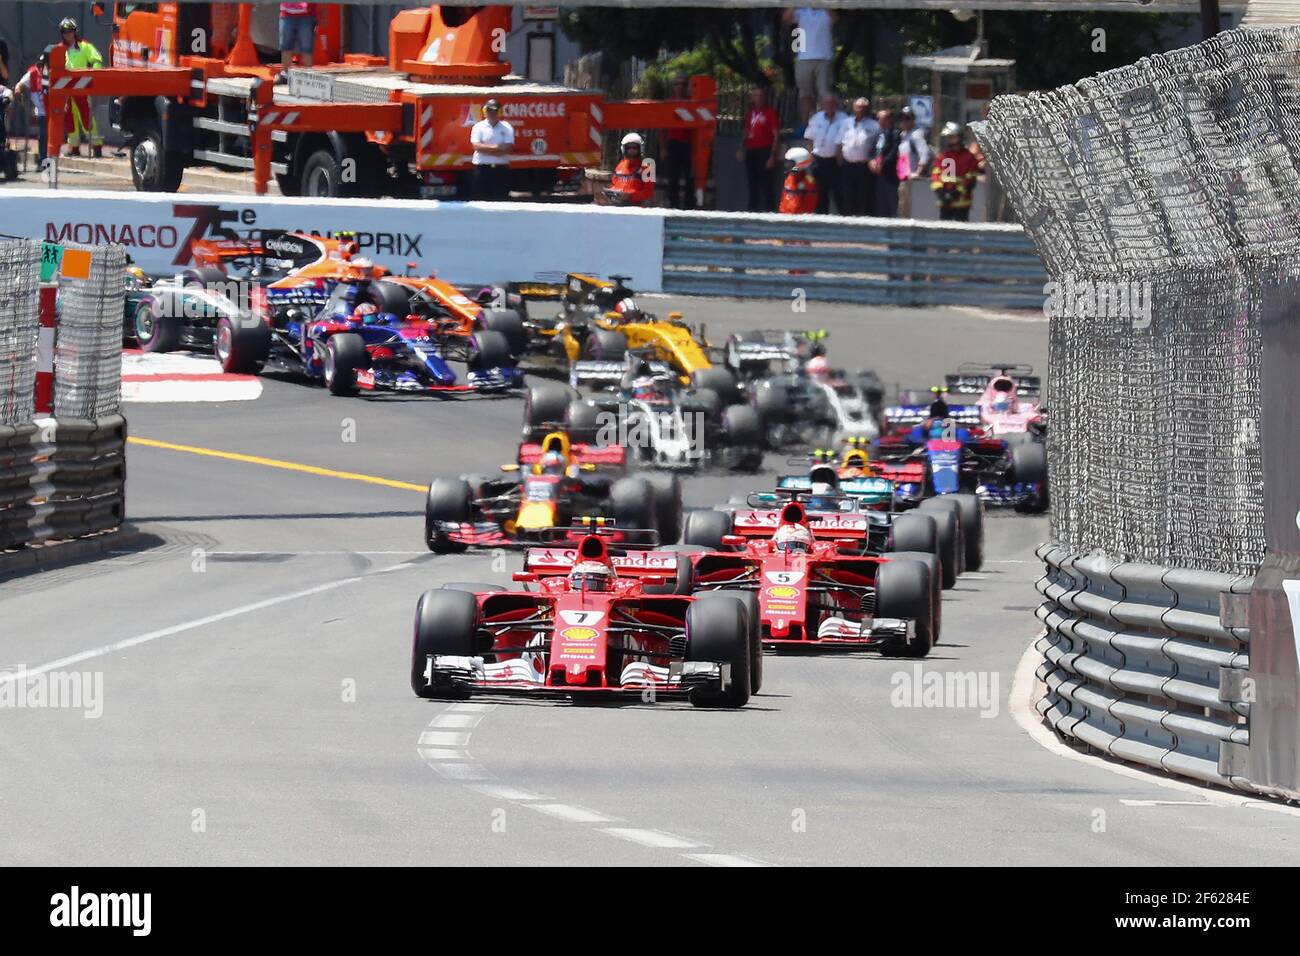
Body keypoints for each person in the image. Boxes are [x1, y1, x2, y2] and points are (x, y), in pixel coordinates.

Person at [782, 7, 838, 125]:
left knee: (825, 93)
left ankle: (826, 124)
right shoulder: (802, 12)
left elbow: (835, 18)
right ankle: (806, 125)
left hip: (824, 58)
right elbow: (786, 17)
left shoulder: (825, 12)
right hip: (803, 58)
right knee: (805, 94)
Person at [58, 19, 103, 157]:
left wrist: (93, 76)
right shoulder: (59, 48)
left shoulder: (84, 46)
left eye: (70, 31)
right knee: (69, 117)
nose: (67, 34)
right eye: (64, 32)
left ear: (75, 31)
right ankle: (74, 146)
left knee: (85, 115)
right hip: (65, 89)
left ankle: (96, 146)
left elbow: (97, 60)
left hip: (81, 88)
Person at [737, 86, 780, 212]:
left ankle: (769, 209)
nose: (758, 98)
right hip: (751, 149)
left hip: (765, 149)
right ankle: (752, 208)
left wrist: (772, 155)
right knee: (751, 181)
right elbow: (746, 131)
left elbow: (776, 134)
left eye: (760, 95)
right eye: (755, 95)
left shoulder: (771, 112)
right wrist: (741, 148)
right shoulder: (751, 113)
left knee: (766, 182)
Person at [804, 94, 847, 214]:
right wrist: (811, 155)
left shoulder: (844, 119)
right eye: (826, 103)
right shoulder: (816, 118)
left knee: (839, 193)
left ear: (836, 105)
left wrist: (841, 156)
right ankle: (821, 221)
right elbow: (809, 137)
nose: (829, 106)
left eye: (832, 103)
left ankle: (845, 220)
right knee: (820, 193)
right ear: (822, 105)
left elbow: (846, 139)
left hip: (835, 161)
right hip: (819, 160)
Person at [931, 122, 980, 221]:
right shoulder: (943, 156)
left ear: (959, 137)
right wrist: (941, 192)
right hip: (945, 202)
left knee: (961, 233)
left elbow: (970, 179)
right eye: (948, 138)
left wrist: (957, 192)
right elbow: (936, 175)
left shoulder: (969, 157)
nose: (949, 140)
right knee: (944, 232)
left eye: (952, 137)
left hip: (961, 203)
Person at [838, 97, 879, 216]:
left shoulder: (874, 125)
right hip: (847, 164)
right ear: (853, 107)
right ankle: (847, 220)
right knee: (847, 194)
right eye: (858, 106)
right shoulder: (846, 123)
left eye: (863, 107)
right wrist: (839, 159)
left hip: (864, 165)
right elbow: (839, 142)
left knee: (863, 195)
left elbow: (878, 146)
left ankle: (863, 221)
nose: (860, 109)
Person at [469, 98, 514, 200]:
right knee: (481, 199)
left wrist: (486, 149)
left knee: (501, 199)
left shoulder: (507, 127)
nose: (492, 114)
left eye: (495, 111)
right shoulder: (478, 127)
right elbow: (476, 147)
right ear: (485, 111)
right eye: (489, 111)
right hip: (482, 169)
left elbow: (508, 148)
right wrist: (497, 148)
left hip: (501, 169)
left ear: (499, 112)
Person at [661, 74, 694, 209]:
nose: (680, 87)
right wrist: (662, 148)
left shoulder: (692, 103)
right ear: (673, 87)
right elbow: (662, 128)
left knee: (690, 176)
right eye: (677, 84)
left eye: (684, 84)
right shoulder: (669, 103)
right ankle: (673, 204)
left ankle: (689, 205)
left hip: (688, 144)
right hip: (673, 143)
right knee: (672, 176)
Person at [895, 107, 931, 220]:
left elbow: (925, 154)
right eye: (902, 118)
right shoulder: (903, 135)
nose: (904, 121)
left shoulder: (916, 134)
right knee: (902, 210)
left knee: (910, 211)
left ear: (913, 119)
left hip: (911, 180)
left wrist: (918, 172)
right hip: (902, 178)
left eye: (907, 118)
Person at [606, 132, 656, 206]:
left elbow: (649, 192)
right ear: (623, 149)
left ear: (640, 149)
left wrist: (631, 196)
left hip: (636, 206)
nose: (631, 150)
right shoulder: (620, 166)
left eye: (635, 147)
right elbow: (614, 183)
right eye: (628, 147)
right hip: (617, 204)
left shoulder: (648, 168)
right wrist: (611, 191)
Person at [14, 50, 47, 163]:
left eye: (44, 65)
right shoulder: (33, 73)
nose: (42, 68)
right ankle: (42, 160)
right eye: (40, 65)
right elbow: (20, 84)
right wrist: (18, 90)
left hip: (56, 110)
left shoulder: (55, 72)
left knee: (50, 136)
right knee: (42, 135)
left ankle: (49, 157)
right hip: (42, 112)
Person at [868, 109, 901, 218]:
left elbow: (893, 152)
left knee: (891, 204)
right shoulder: (878, 135)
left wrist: (882, 164)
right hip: (878, 175)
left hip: (890, 174)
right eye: (878, 119)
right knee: (880, 205)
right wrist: (871, 161)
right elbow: (873, 151)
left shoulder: (895, 134)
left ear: (889, 120)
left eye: (882, 119)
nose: (879, 121)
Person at [778, 146, 817, 215]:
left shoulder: (809, 181)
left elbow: (809, 204)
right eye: (787, 162)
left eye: (790, 163)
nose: (787, 166)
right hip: (785, 216)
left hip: (800, 219)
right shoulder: (789, 177)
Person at [279, 3, 317, 69]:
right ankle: (286, 74)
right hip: (287, 14)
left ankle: (308, 74)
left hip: (307, 15)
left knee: (307, 47)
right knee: (286, 46)